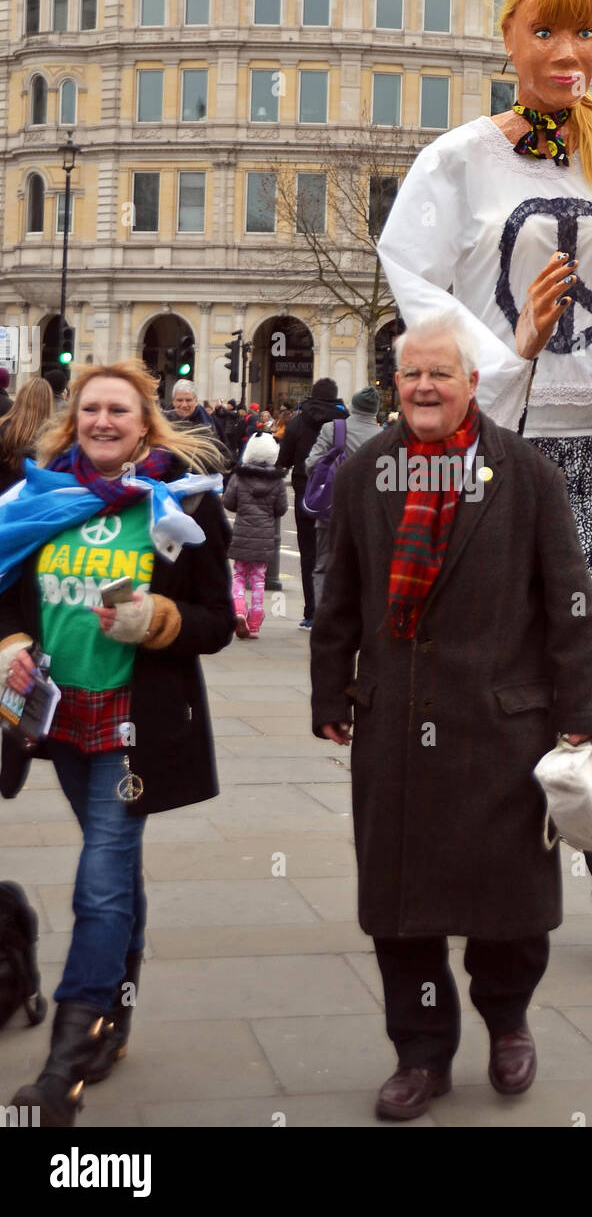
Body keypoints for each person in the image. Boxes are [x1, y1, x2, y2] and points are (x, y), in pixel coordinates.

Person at [376, 0, 592, 953]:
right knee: (480, 659)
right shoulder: (458, 160)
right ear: (509, 35)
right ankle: (489, 864)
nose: (571, 51)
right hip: (494, 453)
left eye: (588, 31)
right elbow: (414, 282)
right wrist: (505, 351)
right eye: (548, 28)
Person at [311, 311, 592, 1120]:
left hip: (500, 725)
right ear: (393, 382)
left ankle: (508, 1021)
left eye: (439, 373)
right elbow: (336, 597)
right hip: (394, 725)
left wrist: (582, 713)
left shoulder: (526, 475)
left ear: (472, 383)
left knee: (507, 903)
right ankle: (420, 1054)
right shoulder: (363, 472)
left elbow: (572, 606)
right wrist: (328, 692)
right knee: (400, 909)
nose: (423, 387)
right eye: (410, 373)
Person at [0, 360, 234, 1126]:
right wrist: (9, 641)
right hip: (59, 721)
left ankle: (62, 1068)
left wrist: (159, 622)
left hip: (135, 723)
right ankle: (115, 1015)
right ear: (74, 420)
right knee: (117, 875)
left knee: (98, 879)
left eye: (120, 412)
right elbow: (4, 594)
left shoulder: (180, 508)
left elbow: (215, 621)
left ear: (145, 425)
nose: (104, 422)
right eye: (92, 409)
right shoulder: (41, 502)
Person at [277, 379, 348, 629]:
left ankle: (311, 612)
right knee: (337, 555)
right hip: (339, 495)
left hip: (306, 493)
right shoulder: (344, 423)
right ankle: (335, 610)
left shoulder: (298, 422)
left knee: (309, 553)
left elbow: (283, 459)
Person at [305, 386, 381, 609]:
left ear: (353, 406)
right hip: (368, 516)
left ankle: (324, 619)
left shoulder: (334, 429)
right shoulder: (384, 437)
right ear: (375, 411)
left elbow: (311, 465)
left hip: (332, 509)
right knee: (361, 569)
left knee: (324, 567)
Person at [222, 429, 288, 639]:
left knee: (239, 575)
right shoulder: (277, 481)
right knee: (259, 580)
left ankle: (239, 609)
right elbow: (282, 509)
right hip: (265, 536)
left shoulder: (240, 477)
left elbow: (229, 502)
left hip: (242, 532)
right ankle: (255, 621)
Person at [0, 378, 53, 495]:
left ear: (20, 398)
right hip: (31, 502)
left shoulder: (3, 427)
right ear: (49, 403)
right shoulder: (52, 437)